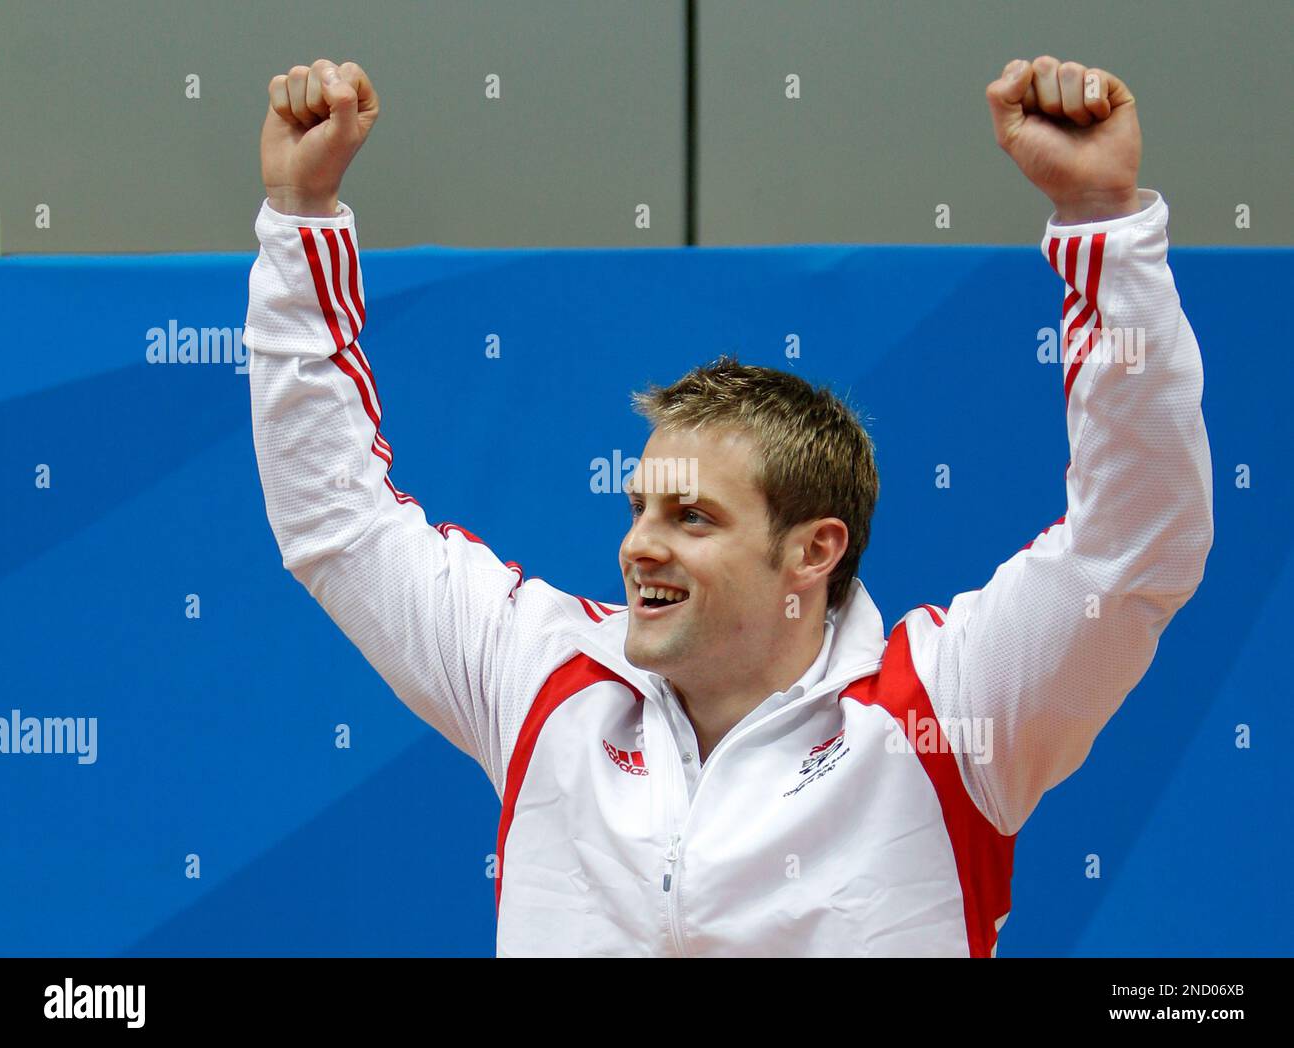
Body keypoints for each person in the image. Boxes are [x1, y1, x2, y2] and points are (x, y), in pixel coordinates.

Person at [243, 56, 1212, 956]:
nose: (638, 549)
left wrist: (1099, 223)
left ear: (812, 552)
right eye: (638, 511)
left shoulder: (948, 706)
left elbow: (1132, 545)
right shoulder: (542, 677)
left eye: (691, 518)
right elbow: (339, 521)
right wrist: (300, 215)